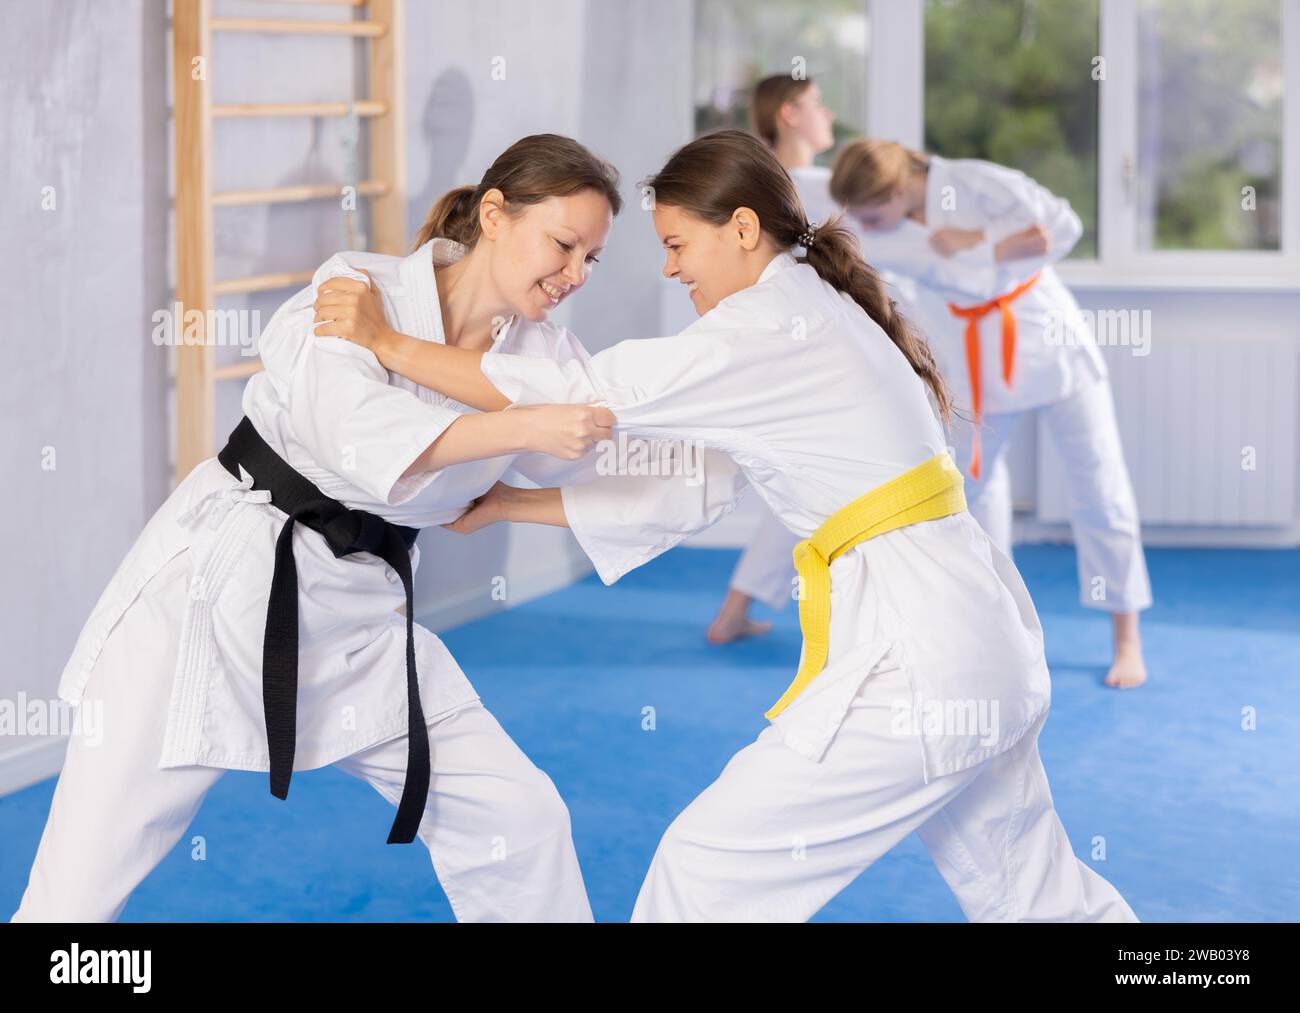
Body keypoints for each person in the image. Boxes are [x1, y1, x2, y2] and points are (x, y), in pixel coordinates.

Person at [317, 129, 1139, 923]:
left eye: (677, 245)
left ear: (742, 229)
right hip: (979, 641)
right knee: (1038, 896)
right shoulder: (808, 310)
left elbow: (579, 390)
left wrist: (387, 343)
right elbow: (691, 485)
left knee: (705, 868)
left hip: (924, 659)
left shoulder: (764, 327)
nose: (671, 270)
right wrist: (509, 504)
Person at [12, 134, 622, 923]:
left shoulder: (546, 354)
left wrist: (535, 451)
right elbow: (357, 438)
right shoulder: (355, 287)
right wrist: (526, 427)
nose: (575, 275)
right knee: (77, 889)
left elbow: (580, 451)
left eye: (592, 259)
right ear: (497, 216)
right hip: (214, 592)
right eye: (565, 245)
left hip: (365, 617)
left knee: (520, 816)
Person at [830, 140, 1152, 688]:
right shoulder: (890, 232)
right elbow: (956, 271)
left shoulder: (974, 181)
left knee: (1100, 487)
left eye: (870, 212)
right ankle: (985, 624)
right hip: (976, 359)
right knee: (965, 493)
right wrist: (996, 249)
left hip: (1052, 345)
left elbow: (1061, 229)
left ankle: (1127, 637)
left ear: (899, 187)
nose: (864, 224)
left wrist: (977, 240)